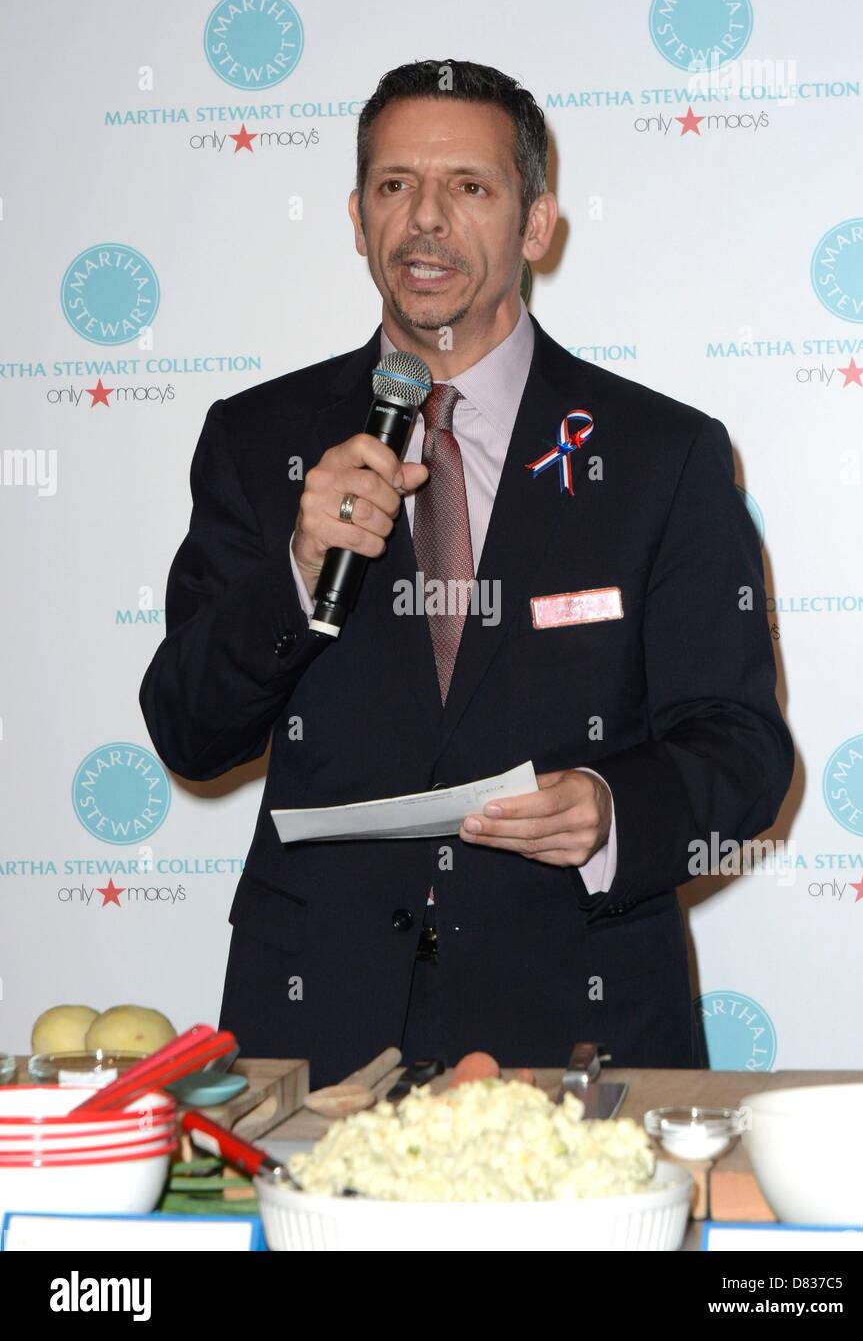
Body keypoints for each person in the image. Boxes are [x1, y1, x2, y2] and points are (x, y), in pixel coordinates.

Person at [140, 59, 793, 1086]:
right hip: (317, 1030)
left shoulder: (662, 454)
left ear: (536, 224)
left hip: (581, 1024)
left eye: (469, 188)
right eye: (395, 186)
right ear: (357, 217)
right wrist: (299, 568)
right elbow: (187, 728)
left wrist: (610, 806)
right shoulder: (257, 440)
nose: (425, 222)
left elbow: (744, 751)